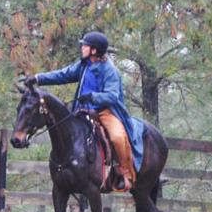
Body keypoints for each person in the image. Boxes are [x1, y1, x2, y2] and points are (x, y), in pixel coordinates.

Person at [24, 31, 140, 191]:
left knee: (118, 137)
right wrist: (38, 78)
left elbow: (112, 96)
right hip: (81, 111)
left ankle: (124, 173)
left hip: (104, 112)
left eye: (85, 45)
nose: (82, 48)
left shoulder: (109, 71)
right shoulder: (84, 66)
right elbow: (62, 75)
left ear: (94, 50)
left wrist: (93, 97)